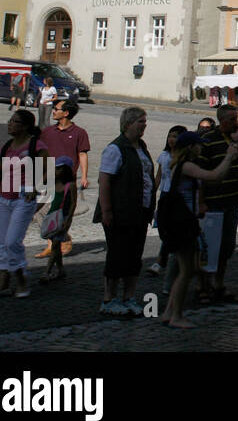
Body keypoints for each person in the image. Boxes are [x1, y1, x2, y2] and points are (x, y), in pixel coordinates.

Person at [158, 132, 237, 329]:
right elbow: (215, 176)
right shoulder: (186, 166)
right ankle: (176, 315)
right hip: (182, 223)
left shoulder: (180, 164)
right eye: (198, 145)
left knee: (185, 270)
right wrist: (229, 156)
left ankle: (169, 312)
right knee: (187, 271)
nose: (201, 148)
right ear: (190, 147)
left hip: (182, 222)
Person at [95, 107, 156, 317]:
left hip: (140, 211)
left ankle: (129, 297)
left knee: (134, 256)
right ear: (128, 124)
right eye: (140, 121)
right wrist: (107, 210)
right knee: (117, 256)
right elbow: (104, 182)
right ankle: (109, 299)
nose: (144, 125)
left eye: (144, 121)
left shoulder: (141, 147)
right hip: (121, 211)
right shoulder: (116, 149)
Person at [0, 110, 47, 299]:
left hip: (22, 200)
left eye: (15, 121)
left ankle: (22, 280)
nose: (10, 124)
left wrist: (36, 187)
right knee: (1, 243)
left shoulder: (36, 145)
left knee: (12, 242)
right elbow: (0, 168)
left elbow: (47, 170)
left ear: (25, 126)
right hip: (3, 198)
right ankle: (2, 283)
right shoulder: (8, 145)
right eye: (9, 120)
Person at [196, 103, 238, 305]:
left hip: (232, 199)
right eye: (231, 119)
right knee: (209, 247)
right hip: (213, 202)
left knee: (226, 246)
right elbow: (200, 175)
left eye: (236, 118)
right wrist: (201, 202)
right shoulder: (208, 140)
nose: (235, 122)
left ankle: (218, 284)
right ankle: (202, 285)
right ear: (221, 120)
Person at [35, 98, 90, 260]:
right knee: (39, 211)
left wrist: (84, 177)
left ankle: (56, 244)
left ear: (66, 113)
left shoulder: (80, 133)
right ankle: (57, 241)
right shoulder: (47, 132)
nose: (53, 111)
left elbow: (82, 154)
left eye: (56, 108)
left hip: (66, 181)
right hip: (47, 179)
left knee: (60, 214)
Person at [147, 125, 188, 279]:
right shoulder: (164, 155)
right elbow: (158, 176)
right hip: (164, 194)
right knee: (163, 228)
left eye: (176, 136)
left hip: (177, 196)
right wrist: (152, 192)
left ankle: (160, 261)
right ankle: (170, 254)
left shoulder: (184, 158)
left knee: (170, 229)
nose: (172, 139)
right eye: (170, 136)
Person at [38, 157, 78, 284]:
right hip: (52, 218)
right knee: (55, 245)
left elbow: (73, 203)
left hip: (64, 218)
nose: (56, 170)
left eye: (59, 168)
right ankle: (61, 270)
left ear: (65, 169)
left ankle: (46, 272)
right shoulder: (54, 183)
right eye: (56, 168)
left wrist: (69, 219)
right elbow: (44, 198)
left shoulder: (70, 185)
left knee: (55, 245)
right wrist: (32, 211)